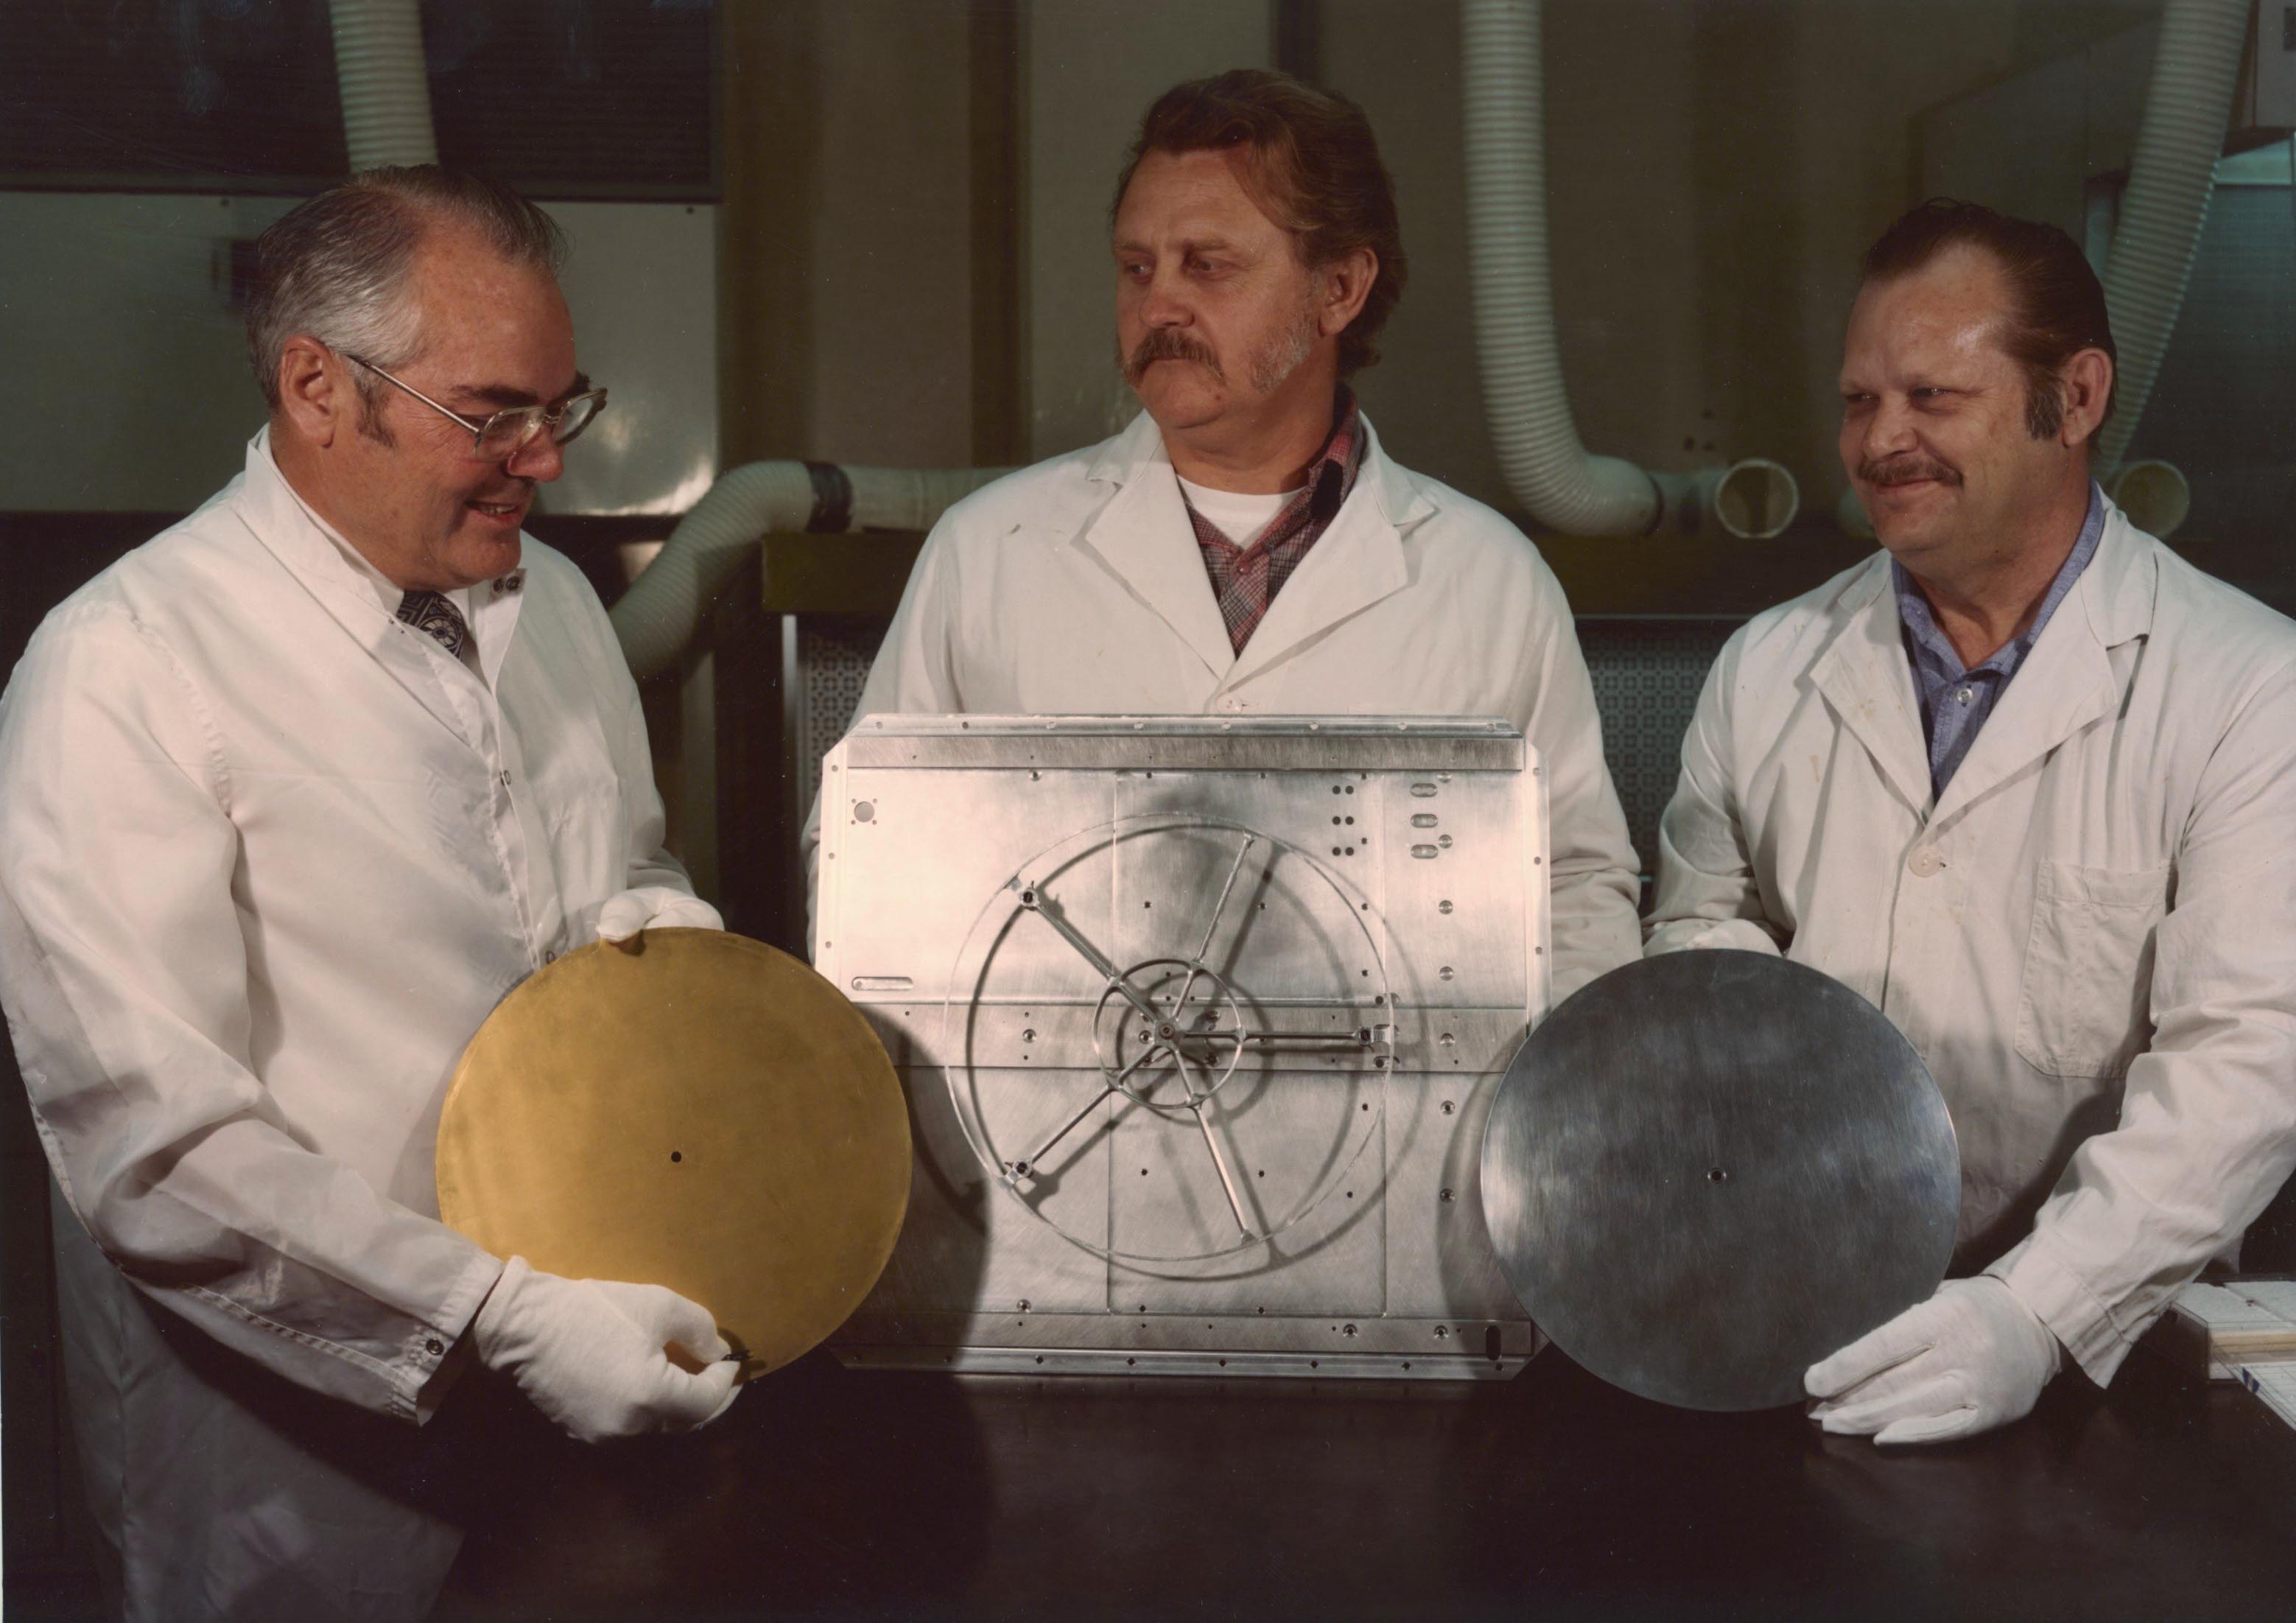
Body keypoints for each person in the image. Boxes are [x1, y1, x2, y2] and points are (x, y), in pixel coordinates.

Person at [0, 166, 738, 1622]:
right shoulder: (127, 669)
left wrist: (650, 933)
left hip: (589, 1388)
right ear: (317, 386)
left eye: (559, 406)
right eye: (493, 414)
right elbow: (154, 1151)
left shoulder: (557, 608)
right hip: (294, 1464)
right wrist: (499, 1321)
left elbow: (621, 860)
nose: (544, 460)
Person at [1646, 198, 2296, 1445]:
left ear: (2077, 395)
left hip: (2108, 1347)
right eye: (1856, 402)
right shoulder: (1767, 668)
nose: (1881, 440)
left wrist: (2034, 1312)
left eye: (1932, 398)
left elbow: (2243, 1063)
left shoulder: (2245, 685)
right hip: (1788, 1316)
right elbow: (1703, 947)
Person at [813, 69, 1640, 997]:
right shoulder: (988, 553)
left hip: (1399, 1138)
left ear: (1339, 287)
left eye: (1207, 265)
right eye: (1138, 267)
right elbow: (860, 849)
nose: (1158, 303)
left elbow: (1574, 890)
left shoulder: (1487, 580)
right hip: (1055, 1131)